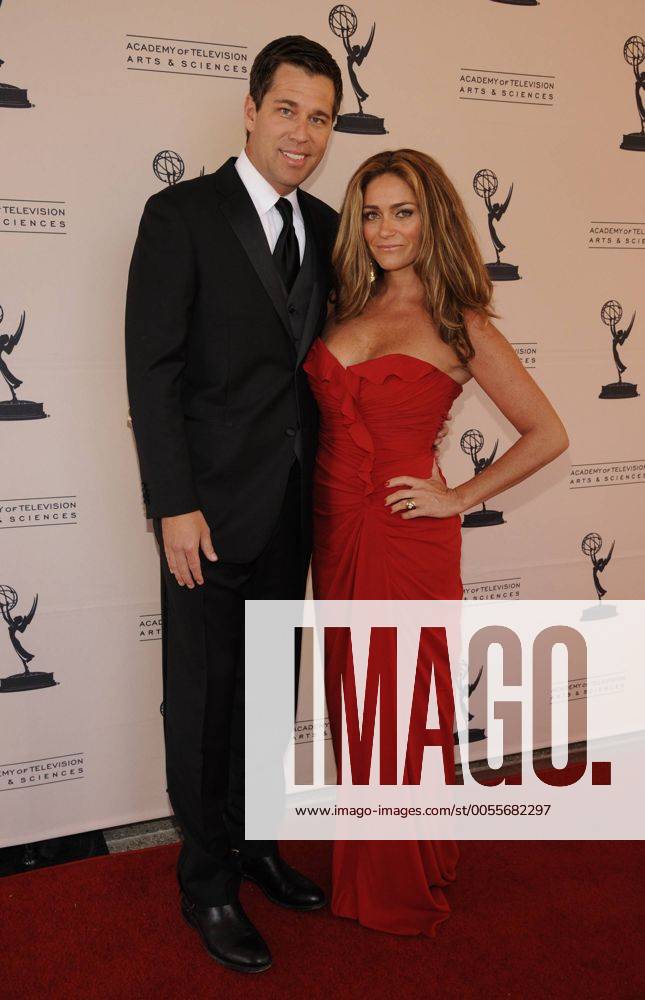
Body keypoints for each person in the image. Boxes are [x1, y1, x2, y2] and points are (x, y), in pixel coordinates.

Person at [303, 149, 569, 936]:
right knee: (358, 701)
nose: (386, 229)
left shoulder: (459, 322)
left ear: (433, 218)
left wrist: (457, 496)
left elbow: (546, 432)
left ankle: (396, 881)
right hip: (335, 531)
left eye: (403, 211)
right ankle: (377, 855)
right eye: (373, 212)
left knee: (401, 701)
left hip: (405, 539)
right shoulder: (340, 306)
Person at [125, 36, 344, 974]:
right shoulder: (181, 214)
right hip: (206, 514)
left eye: (321, 117)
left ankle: (256, 846)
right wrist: (172, 503)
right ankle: (207, 881)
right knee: (206, 701)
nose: (303, 132)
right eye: (288, 109)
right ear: (250, 109)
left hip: (294, 503)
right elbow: (153, 368)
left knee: (267, 689)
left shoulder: (330, 228)